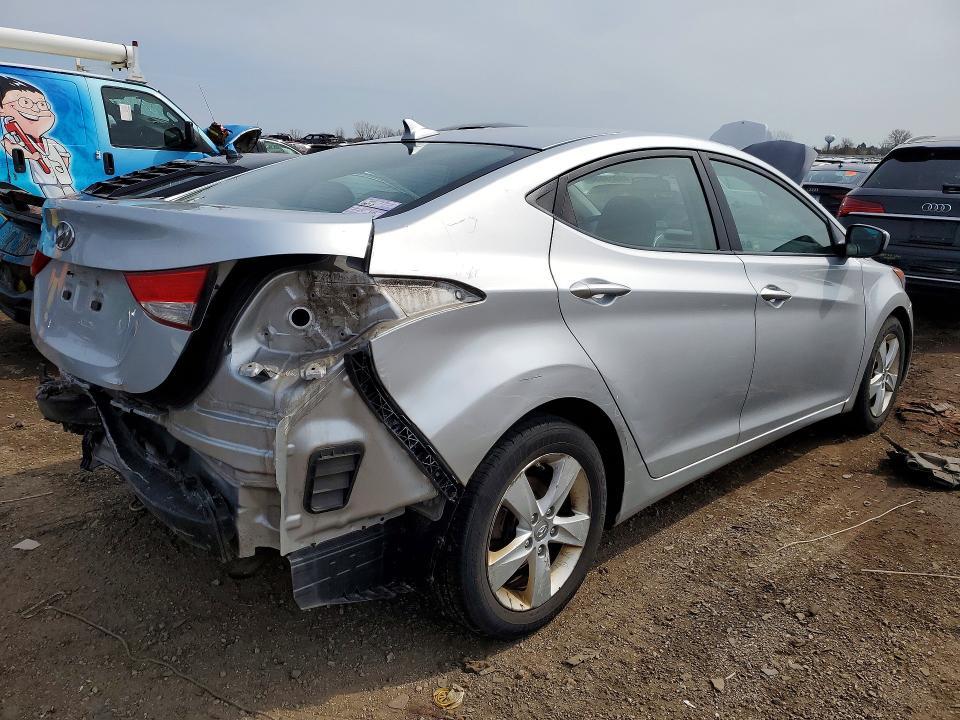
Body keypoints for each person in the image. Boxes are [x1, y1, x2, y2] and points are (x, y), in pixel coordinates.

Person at [0, 75, 76, 198]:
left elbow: (65, 155)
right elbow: (9, 146)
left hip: (63, 178)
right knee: (56, 203)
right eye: (25, 102)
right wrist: (31, 155)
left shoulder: (50, 142)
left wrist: (62, 169)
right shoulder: (13, 136)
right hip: (45, 179)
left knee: (71, 200)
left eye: (42, 104)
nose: (36, 110)